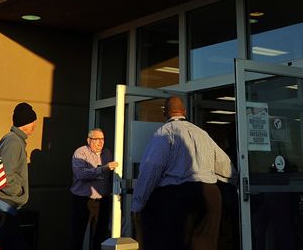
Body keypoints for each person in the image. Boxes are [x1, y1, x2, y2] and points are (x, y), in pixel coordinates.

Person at [131, 96, 233, 250]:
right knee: (205, 245)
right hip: (210, 194)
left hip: (178, 195)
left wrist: (138, 203)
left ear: (165, 113)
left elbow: (151, 168)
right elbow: (225, 165)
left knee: (175, 243)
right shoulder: (202, 133)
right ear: (184, 112)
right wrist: (236, 183)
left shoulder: (164, 133)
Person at [0, 102, 38, 250]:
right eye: (34, 121)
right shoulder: (13, 142)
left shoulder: (13, 140)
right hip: (1, 208)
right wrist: (19, 192)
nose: (36, 125)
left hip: (0, 207)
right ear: (27, 123)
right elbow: (4, 175)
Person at [69, 128, 118, 250]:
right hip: (83, 200)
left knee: (101, 236)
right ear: (89, 140)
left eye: (102, 139)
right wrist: (103, 168)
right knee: (77, 236)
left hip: (103, 201)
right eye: (96, 139)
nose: (100, 142)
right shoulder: (80, 153)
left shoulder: (107, 153)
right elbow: (81, 174)